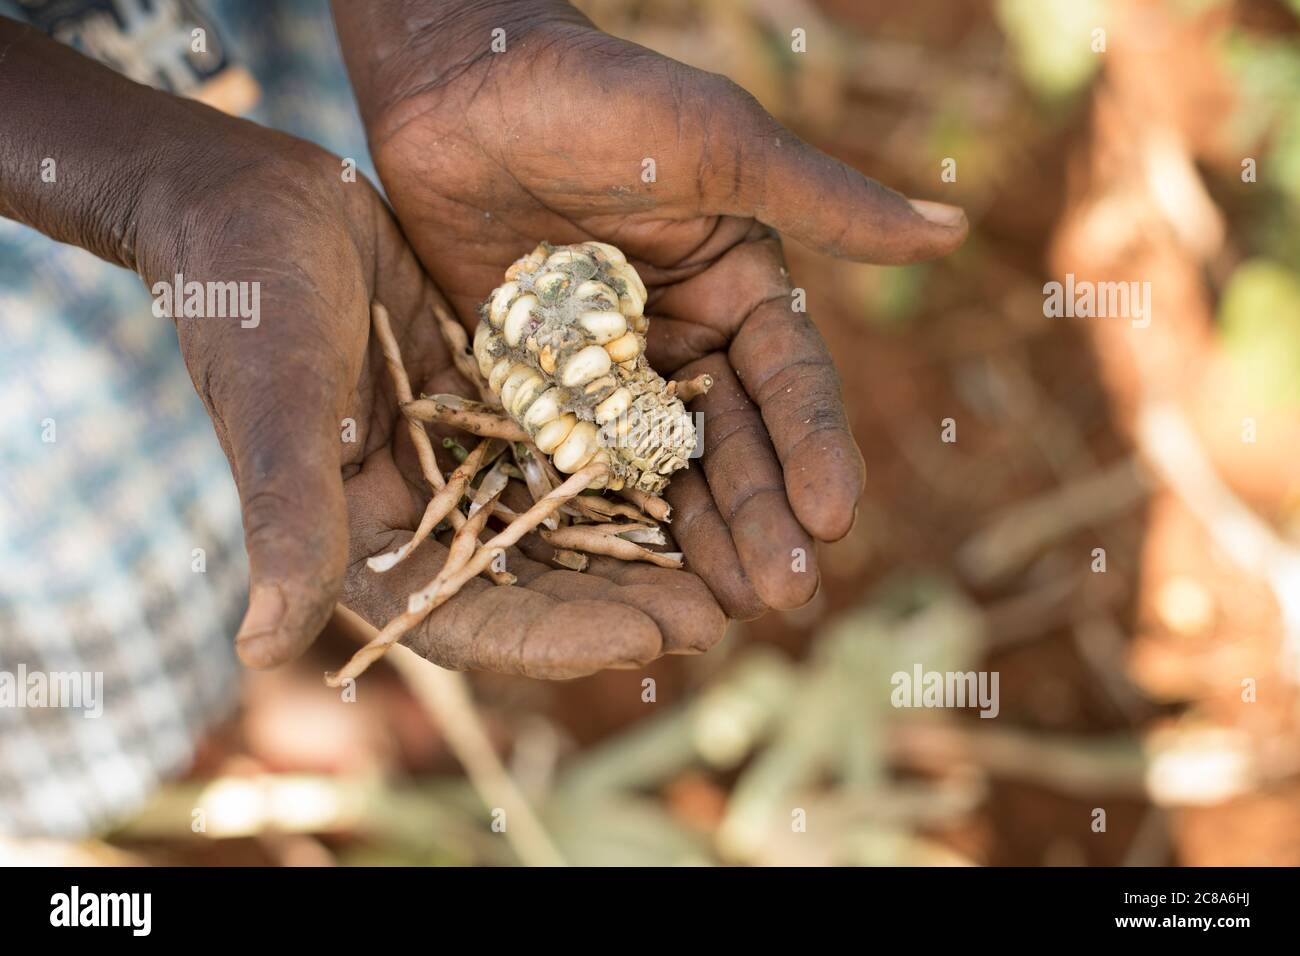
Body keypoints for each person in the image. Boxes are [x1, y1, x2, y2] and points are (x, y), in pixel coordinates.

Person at [0, 0, 966, 835]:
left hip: (273, 82)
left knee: (299, 417)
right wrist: (157, 186)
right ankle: (210, 710)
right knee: (155, 530)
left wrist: (447, 30)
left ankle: (272, 662)